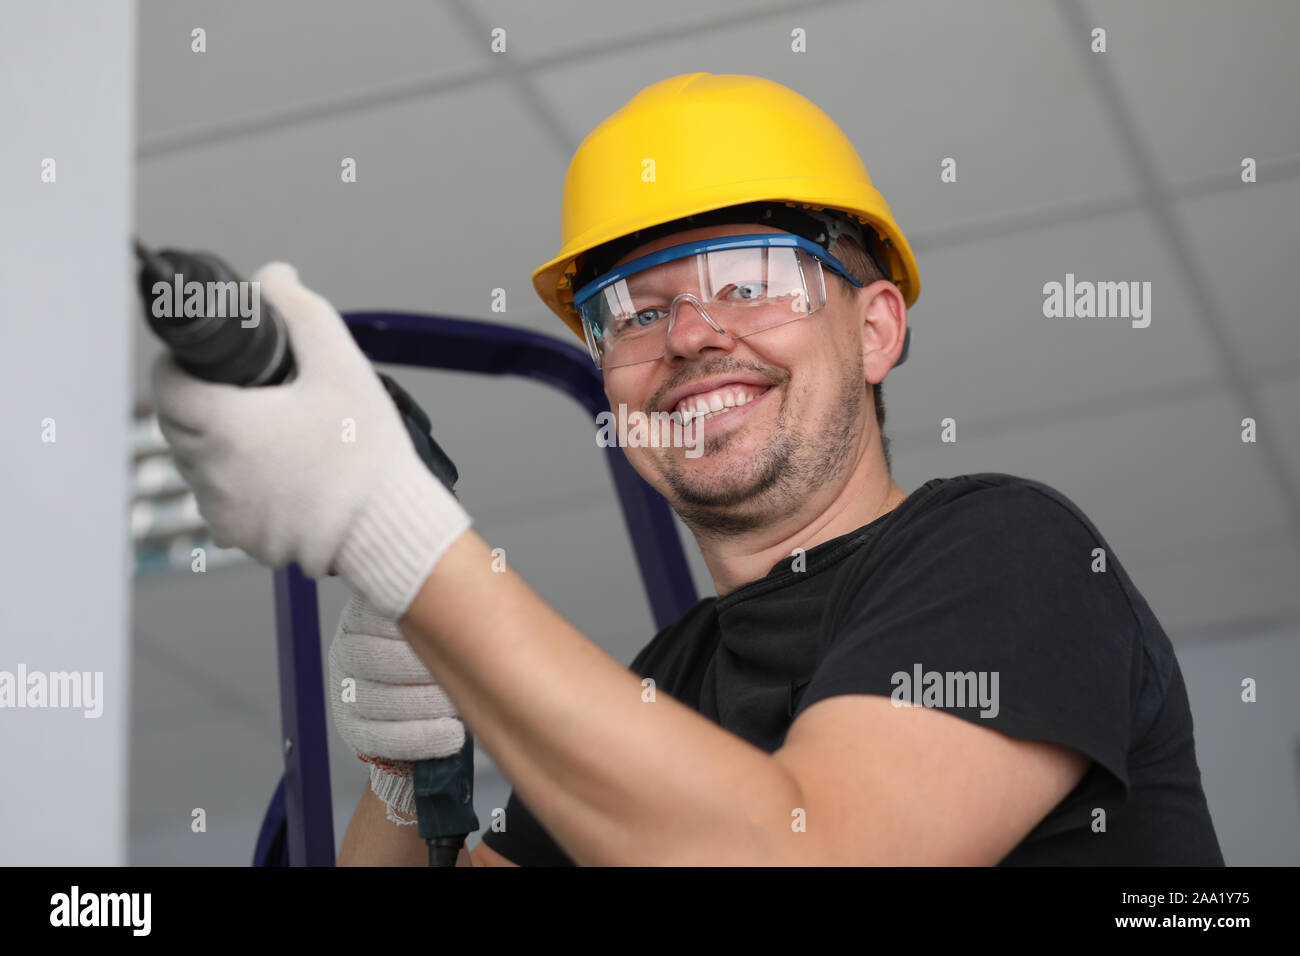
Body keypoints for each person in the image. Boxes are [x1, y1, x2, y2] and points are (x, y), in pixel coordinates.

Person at [152, 72, 1223, 866]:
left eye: (751, 279)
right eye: (635, 309)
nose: (694, 334)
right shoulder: (657, 693)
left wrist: (400, 534)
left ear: (879, 326)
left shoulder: (1013, 552)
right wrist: (404, 769)